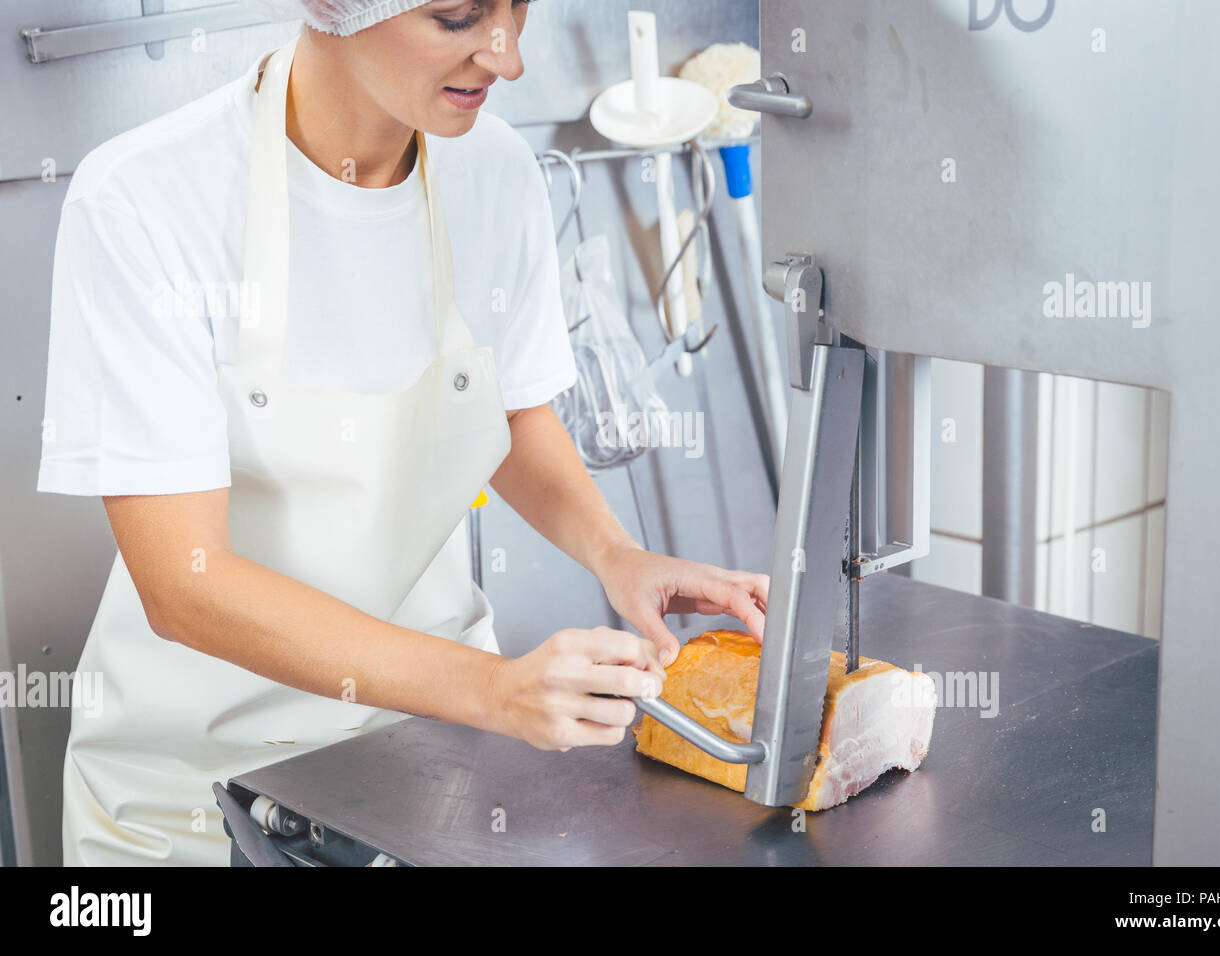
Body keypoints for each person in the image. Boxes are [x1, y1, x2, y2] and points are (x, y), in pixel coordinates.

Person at [38, 0, 768, 865]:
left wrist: (619, 556)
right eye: (459, 18)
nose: (507, 58)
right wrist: (494, 690)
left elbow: (510, 413)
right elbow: (181, 585)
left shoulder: (495, 169)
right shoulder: (147, 198)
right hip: (196, 786)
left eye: (517, 10)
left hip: (422, 756)